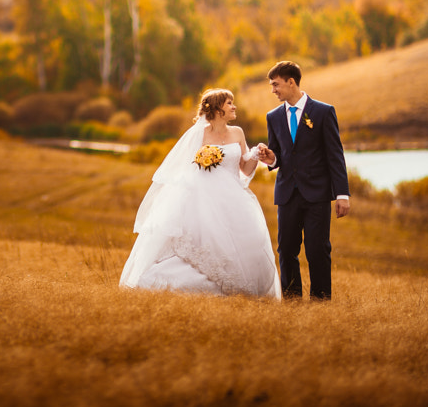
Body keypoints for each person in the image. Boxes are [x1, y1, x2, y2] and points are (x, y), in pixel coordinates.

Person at [119, 89, 281, 299]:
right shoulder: (199, 134)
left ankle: (243, 288)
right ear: (217, 108)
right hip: (204, 200)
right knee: (205, 242)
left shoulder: (238, 132)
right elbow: (185, 168)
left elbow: (245, 169)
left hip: (233, 201)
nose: (234, 107)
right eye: (229, 103)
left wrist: (256, 155)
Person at [258, 61, 350, 301]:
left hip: (317, 194)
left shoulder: (323, 111)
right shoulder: (273, 116)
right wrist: (271, 158)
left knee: (317, 250)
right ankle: (291, 300)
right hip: (287, 193)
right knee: (286, 250)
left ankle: (321, 300)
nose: (273, 90)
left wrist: (342, 195)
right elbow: (278, 155)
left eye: (276, 85)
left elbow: (335, 155)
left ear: (291, 82)